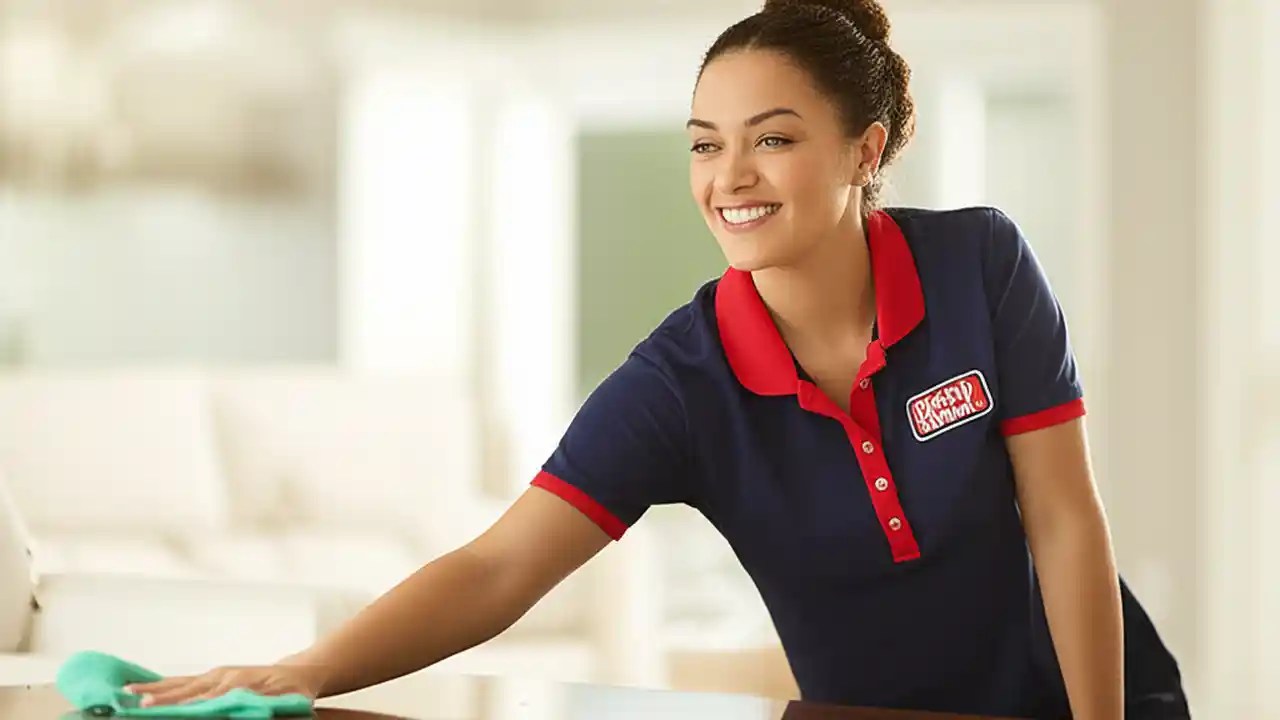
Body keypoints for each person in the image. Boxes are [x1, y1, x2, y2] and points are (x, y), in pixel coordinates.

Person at [125, 0, 1190, 717]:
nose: (728, 175)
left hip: (1092, 700)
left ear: (863, 151)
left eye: (771, 138)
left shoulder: (978, 263)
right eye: (701, 141)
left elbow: (1061, 519)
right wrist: (304, 673)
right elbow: (498, 568)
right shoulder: (681, 384)